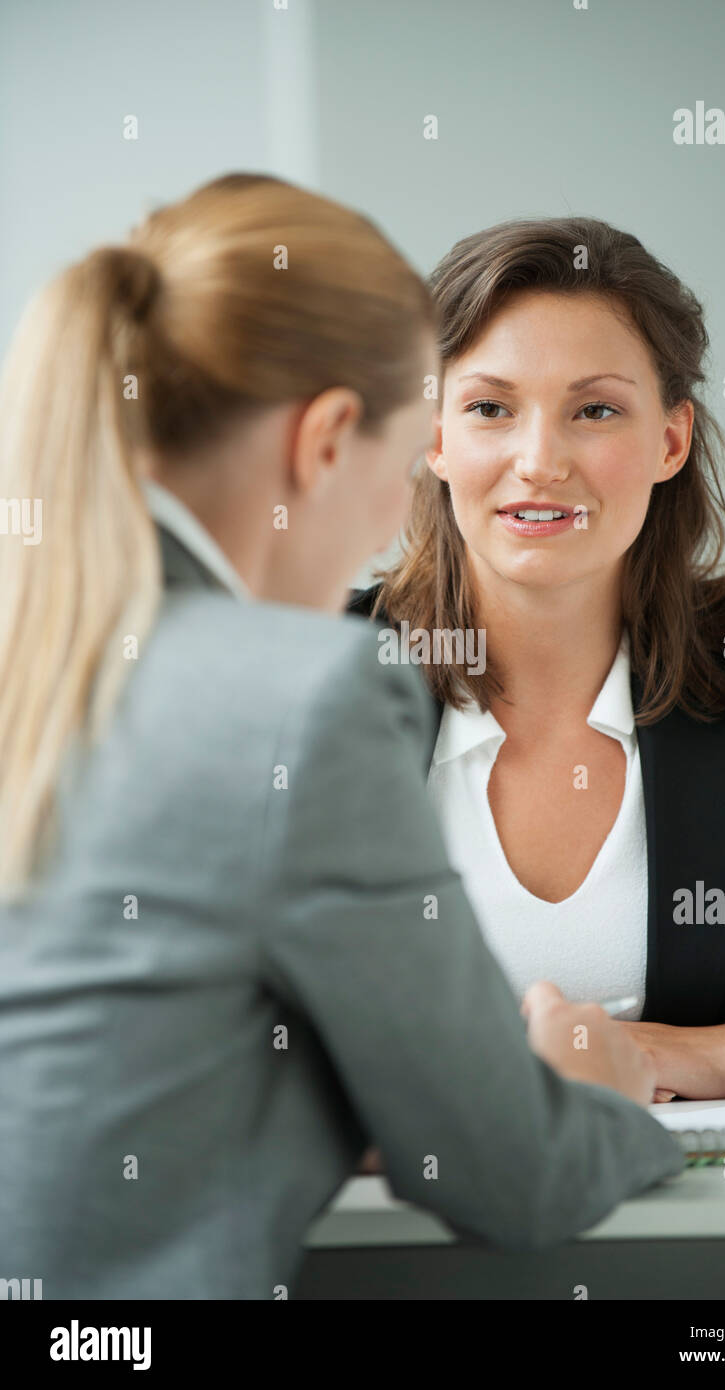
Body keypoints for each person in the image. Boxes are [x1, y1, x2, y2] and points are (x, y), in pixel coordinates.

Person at [0, 175, 683, 1300]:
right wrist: (595, 1086)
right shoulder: (307, 695)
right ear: (325, 442)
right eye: (432, 439)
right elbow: (510, 1175)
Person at [350, 215, 725, 1102]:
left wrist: (722, 1052)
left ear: (671, 440)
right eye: (489, 408)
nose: (539, 461)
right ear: (433, 439)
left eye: (595, 410)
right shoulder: (316, 674)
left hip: (691, 1231)